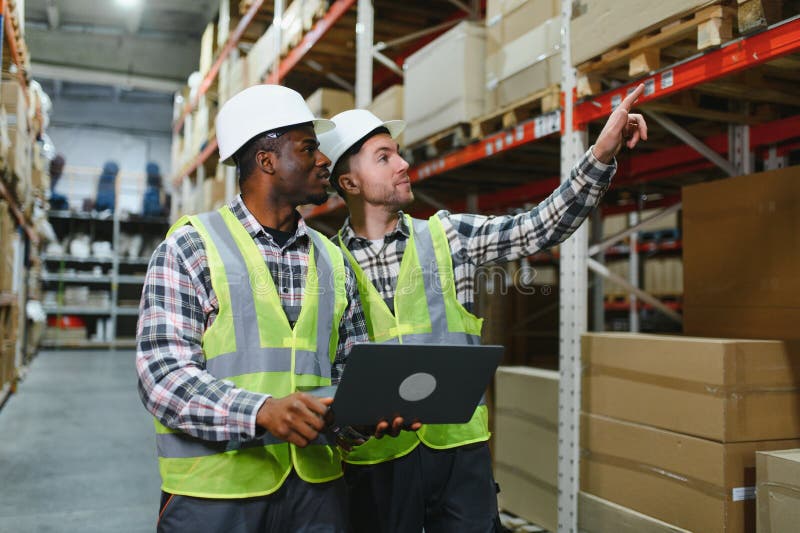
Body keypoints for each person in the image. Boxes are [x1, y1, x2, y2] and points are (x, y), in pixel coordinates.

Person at [318, 84, 648, 533]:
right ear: (349, 183)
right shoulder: (326, 262)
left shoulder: (447, 236)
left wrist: (601, 154)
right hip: (375, 462)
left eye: (397, 153)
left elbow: (538, 228)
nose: (403, 164)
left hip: (459, 454)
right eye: (383, 158)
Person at [137, 84, 383, 532]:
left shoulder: (333, 260)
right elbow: (162, 375)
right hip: (215, 496)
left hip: (316, 494)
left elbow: (349, 370)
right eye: (308, 148)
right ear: (267, 160)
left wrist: (366, 416)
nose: (324, 160)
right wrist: (260, 410)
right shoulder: (191, 247)